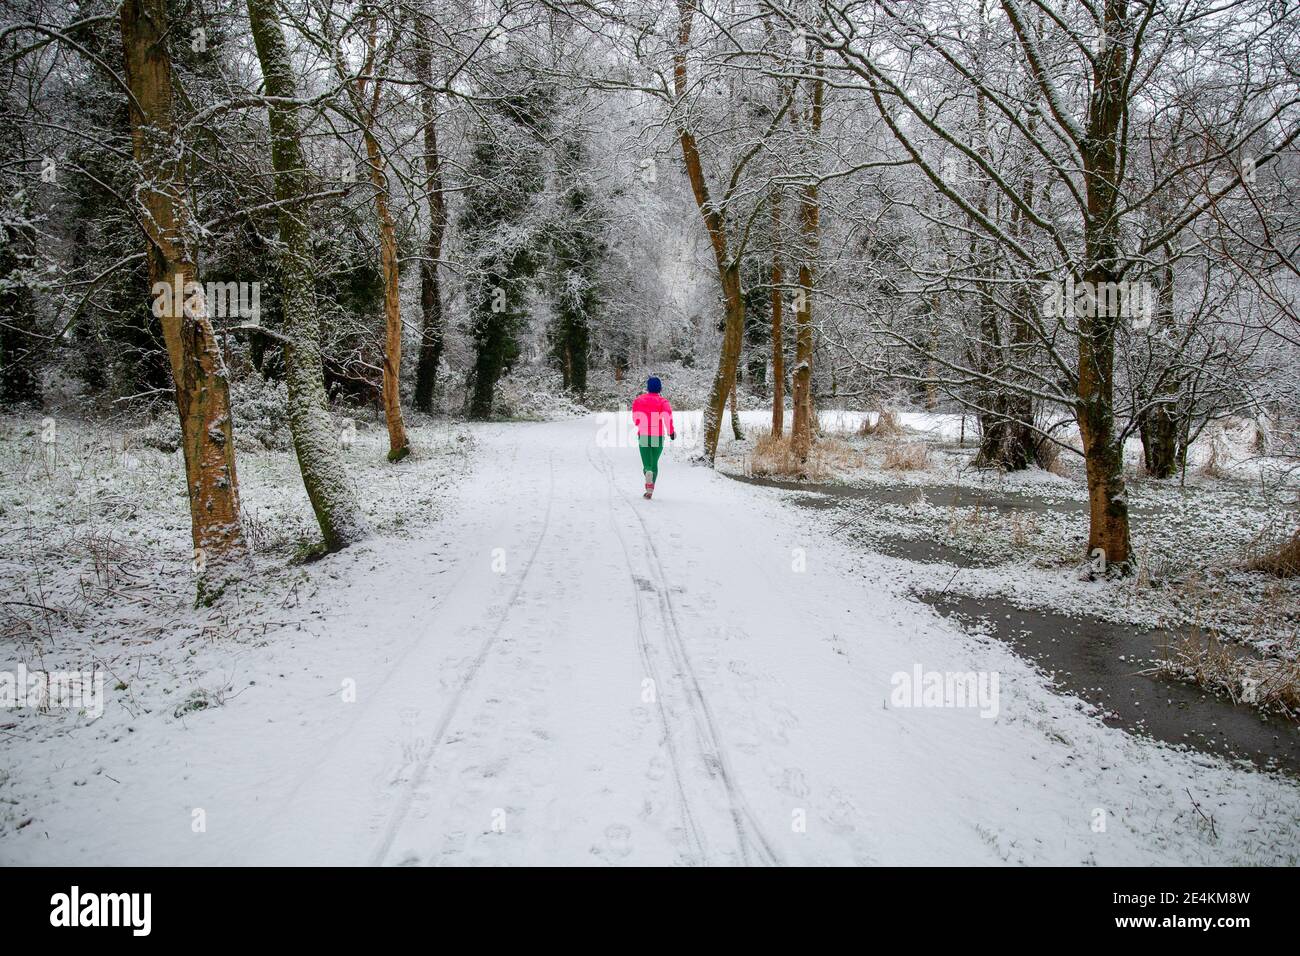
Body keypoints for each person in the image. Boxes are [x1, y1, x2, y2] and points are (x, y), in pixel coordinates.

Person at [631, 376, 675, 499]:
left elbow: (636, 419)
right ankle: (650, 490)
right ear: (660, 388)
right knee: (654, 462)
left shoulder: (639, 400)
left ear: (647, 388)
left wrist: (641, 424)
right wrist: (671, 432)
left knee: (647, 463)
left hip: (644, 434)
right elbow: (667, 417)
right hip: (658, 435)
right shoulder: (663, 402)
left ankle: (647, 473)